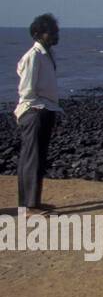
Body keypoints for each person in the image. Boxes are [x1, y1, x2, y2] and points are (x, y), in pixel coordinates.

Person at [14, 14, 61, 213]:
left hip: (45, 108)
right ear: (38, 34)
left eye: (55, 32)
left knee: (38, 158)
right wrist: (38, 108)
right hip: (34, 110)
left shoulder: (47, 54)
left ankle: (33, 201)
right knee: (31, 158)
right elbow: (26, 90)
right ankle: (28, 205)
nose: (54, 36)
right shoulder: (32, 56)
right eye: (50, 32)